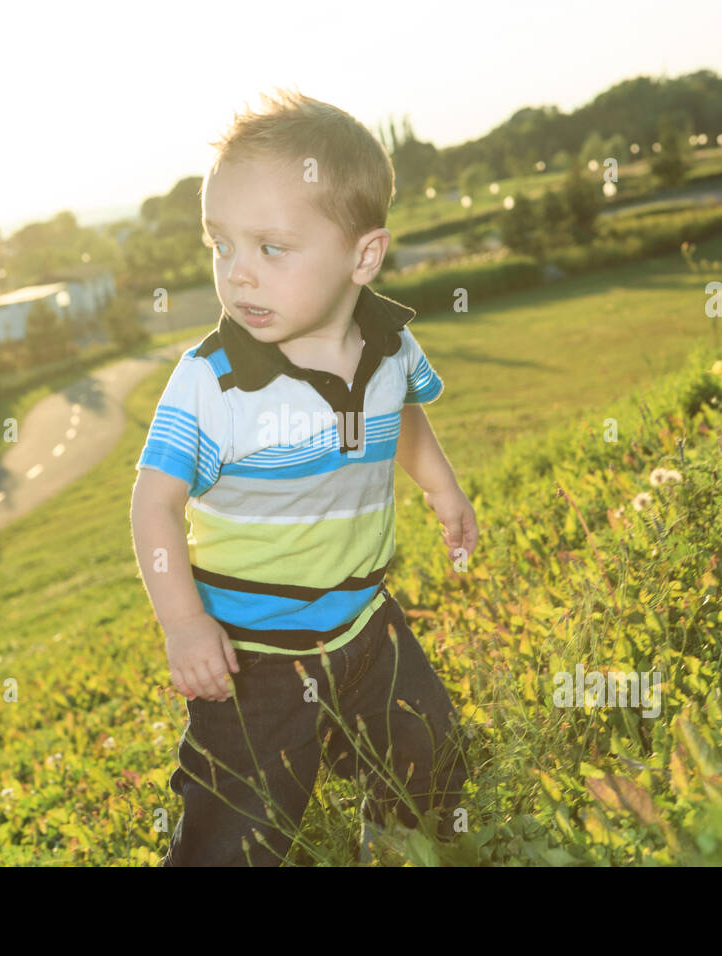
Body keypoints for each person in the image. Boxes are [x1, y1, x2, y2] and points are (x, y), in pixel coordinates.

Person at [130, 88, 479, 867]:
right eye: (221, 245)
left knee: (429, 756)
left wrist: (441, 489)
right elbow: (154, 503)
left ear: (364, 256)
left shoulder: (389, 345)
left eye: (270, 249)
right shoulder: (212, 380)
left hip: (365, 621)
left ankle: (399, 848)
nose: (238, 275)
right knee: (238, 826)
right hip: (254, 658)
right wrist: (185, 624)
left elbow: (401, 416)